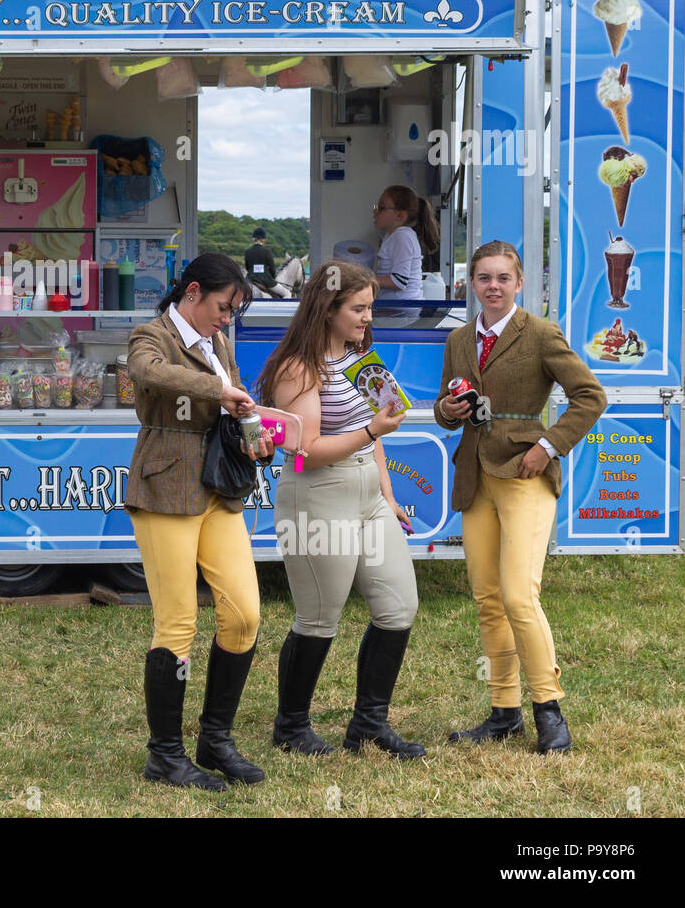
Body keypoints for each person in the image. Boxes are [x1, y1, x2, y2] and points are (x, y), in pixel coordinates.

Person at [435, 241, 605, 753]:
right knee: (488, 598)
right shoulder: (460, 338)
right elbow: (447, 408)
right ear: (473, 284)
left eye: (502, 278)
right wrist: (448, 408)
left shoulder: (541, 333)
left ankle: (548, 709)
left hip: (526, 471)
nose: (492, 286)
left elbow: (590, 395)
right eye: (483, 278)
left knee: (517, 596)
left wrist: (549, 445)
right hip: (475, 476)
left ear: (520, 282)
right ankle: (504, 711)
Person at [255, 261, 424, 759]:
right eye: (359, 308)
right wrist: (373, 431)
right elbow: (304, 448)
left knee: (398, 607)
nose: (367, 318)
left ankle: (368, 725)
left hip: (367, 493)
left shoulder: (359, 358)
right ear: (327, 307)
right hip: (318, 495)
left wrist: (388, 497)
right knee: (319, 618)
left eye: (370, 307)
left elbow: (373, 440)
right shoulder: (298, 368)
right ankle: (291, 728)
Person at [125, 253, 275, 790]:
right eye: (222, 306)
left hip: (217, 486)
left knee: (244, 615)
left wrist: (255, 433)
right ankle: (165, 755)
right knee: (178, 622)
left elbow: (233, 409)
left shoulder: (222, 343)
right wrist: (219, 389)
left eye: (234, 310)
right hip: (165, 486)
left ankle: (216, 739)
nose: (227, 318)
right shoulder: (151, 334)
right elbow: (147, 373)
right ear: (192, 292)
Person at [372, 185, 440, 303]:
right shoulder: (392, 236)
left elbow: (399, 281)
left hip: (404, 312)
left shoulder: (402, 236)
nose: (375, 211)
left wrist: (365, 280)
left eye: (381, 207)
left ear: (400, 216)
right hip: (397, 309)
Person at [244, 228, 279, 295]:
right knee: (287, 293)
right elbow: (272, 268)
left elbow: (247, 267)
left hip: (250, 279)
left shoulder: (247, 251)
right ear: (263, 239)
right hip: (266, 280)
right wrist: (273, 278)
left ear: (253, 238)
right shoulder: (267, 251)